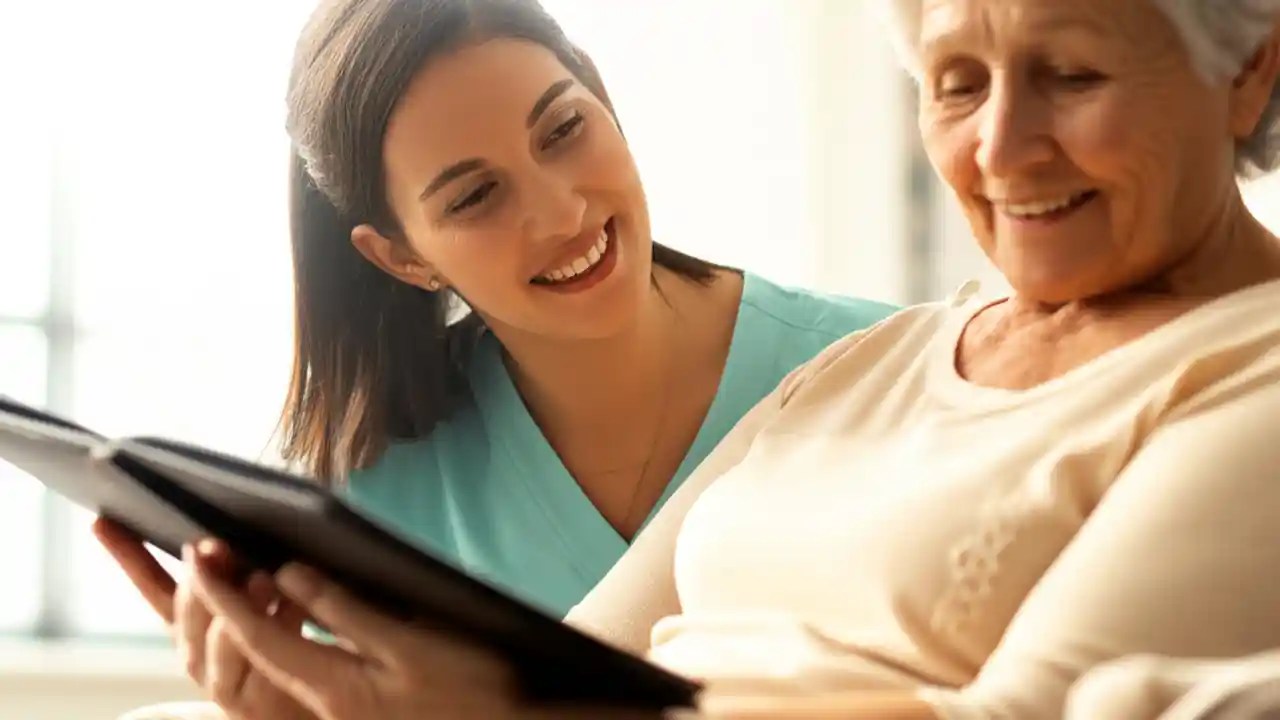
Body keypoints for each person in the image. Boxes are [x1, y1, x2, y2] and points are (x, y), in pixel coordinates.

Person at [104, 0, 1280, 718]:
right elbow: (566, 665)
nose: (997, 148)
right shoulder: (878, 362)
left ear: (1251, 69)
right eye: (954, 83)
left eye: (1070, 73)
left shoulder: (1243, 371)